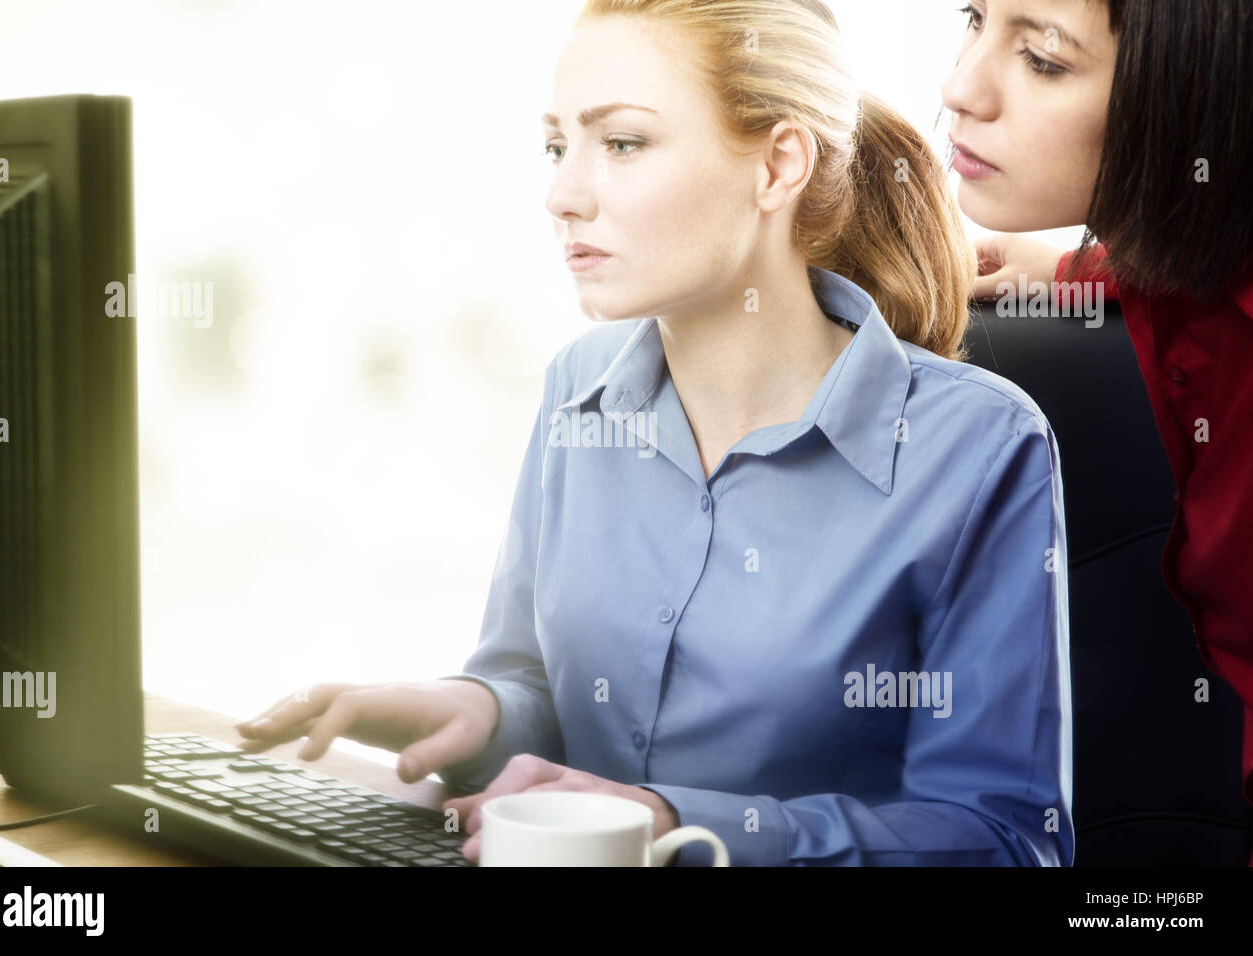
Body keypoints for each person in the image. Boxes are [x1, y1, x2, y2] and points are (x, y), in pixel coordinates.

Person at [237, 0, 1074, 866]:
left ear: (778, 164)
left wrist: (677, 823)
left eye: (623, 144)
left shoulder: (977, 449)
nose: (563, 196)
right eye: (558, 146)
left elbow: (1002, 839)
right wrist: (477, 709)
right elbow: (534, 683)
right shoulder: (578, 390)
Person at [942, 0, 1253, 852]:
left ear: (1196, 84)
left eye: (1043, 60)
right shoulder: (1178, 267)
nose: (959, 89)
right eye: (972, 18)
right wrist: (1084, 268)